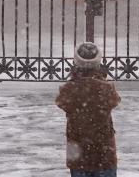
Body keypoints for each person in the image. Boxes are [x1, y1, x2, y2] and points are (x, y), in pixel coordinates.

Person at [55, 41, 120, 177]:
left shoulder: (68, 89)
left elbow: (61, 103)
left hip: (78, 150)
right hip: (104, 150)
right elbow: (115, 101)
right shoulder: (106, 88)